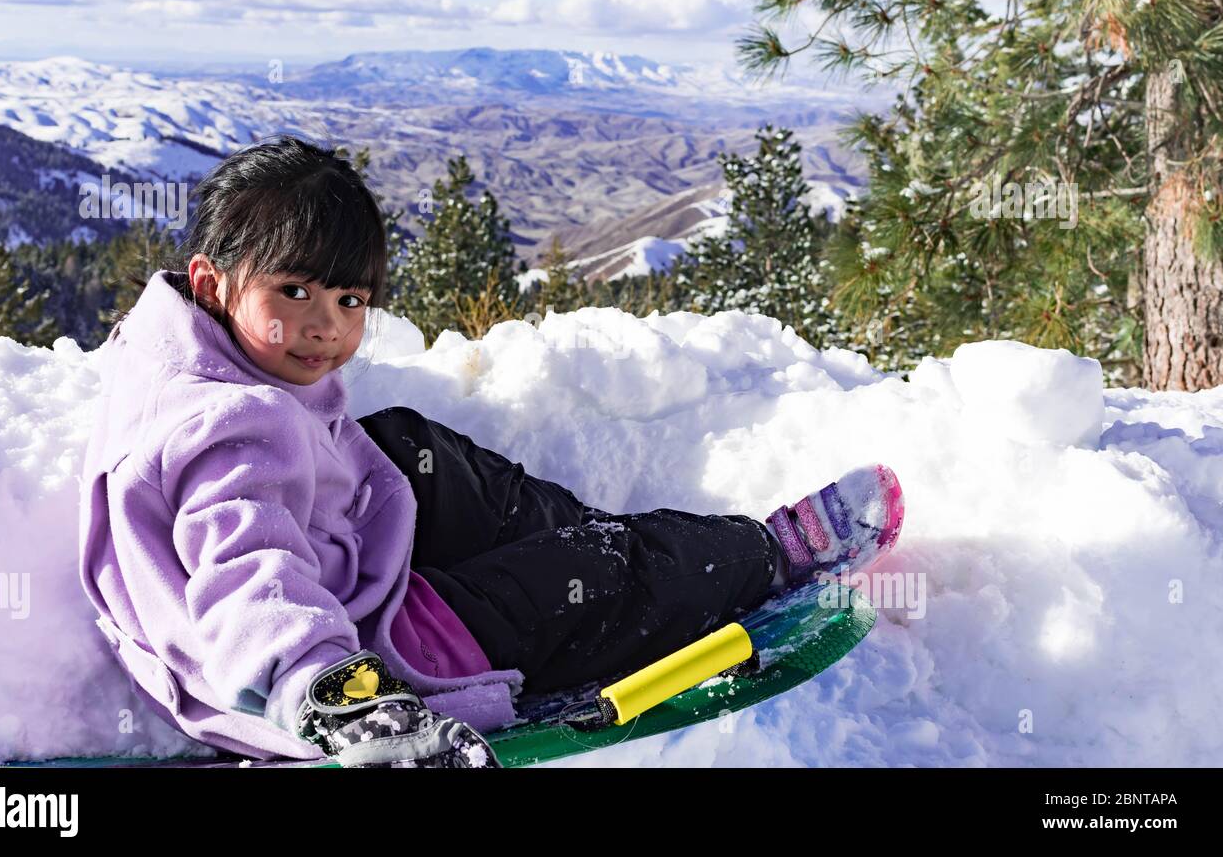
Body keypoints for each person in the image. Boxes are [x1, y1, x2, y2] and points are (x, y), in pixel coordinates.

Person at [77, 134, 905, 766]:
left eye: (348, 298)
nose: (326, 324)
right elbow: (248, 569)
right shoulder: (231, 435)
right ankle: (760, 554)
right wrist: (334, 696)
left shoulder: (171, 348)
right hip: (372, 648)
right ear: (214, 281)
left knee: (406, 445)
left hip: (342, 549)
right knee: (605, 569)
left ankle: (583, 544)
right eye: (293, 292)